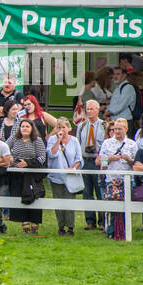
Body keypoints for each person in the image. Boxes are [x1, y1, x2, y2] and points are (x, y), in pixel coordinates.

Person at [9, 118, 48, 235]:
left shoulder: (37, 140)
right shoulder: (14, 139)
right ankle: (25, 225)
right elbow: (5, 149)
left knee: (35, 197)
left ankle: (35, 224)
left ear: (32, 128)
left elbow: (42, 157)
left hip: (33, 175)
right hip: (18, 175)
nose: (24, 128)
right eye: (22, 126)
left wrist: (27, 163)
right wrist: (11, 158)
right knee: (19, 197)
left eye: (27, 126)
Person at [45, 118, 84, 236]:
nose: (62, 130)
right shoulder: (52, 139)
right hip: (56, 177)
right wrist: (58, 140)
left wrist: (74, 168)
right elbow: (52, 154)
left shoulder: (75, 141)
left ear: (69, 128)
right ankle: (60, 226)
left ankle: (70, 227)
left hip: (70, 177)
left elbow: (79, 158)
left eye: (64, 127)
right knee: (58, 202)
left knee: (70, 202)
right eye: (59, 127)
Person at [76, 98, 108, 230]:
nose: (89, 112)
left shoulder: (104, 125)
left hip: (98, 162)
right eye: (87, 109)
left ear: (97, 110)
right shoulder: (81, 126)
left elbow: (107, 145)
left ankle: (102, 221)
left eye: (91, 109)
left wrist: (103, 161)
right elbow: (77, 144)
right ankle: (90, 221)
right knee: (87, 192)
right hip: (85, 161)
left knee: (100, 191)